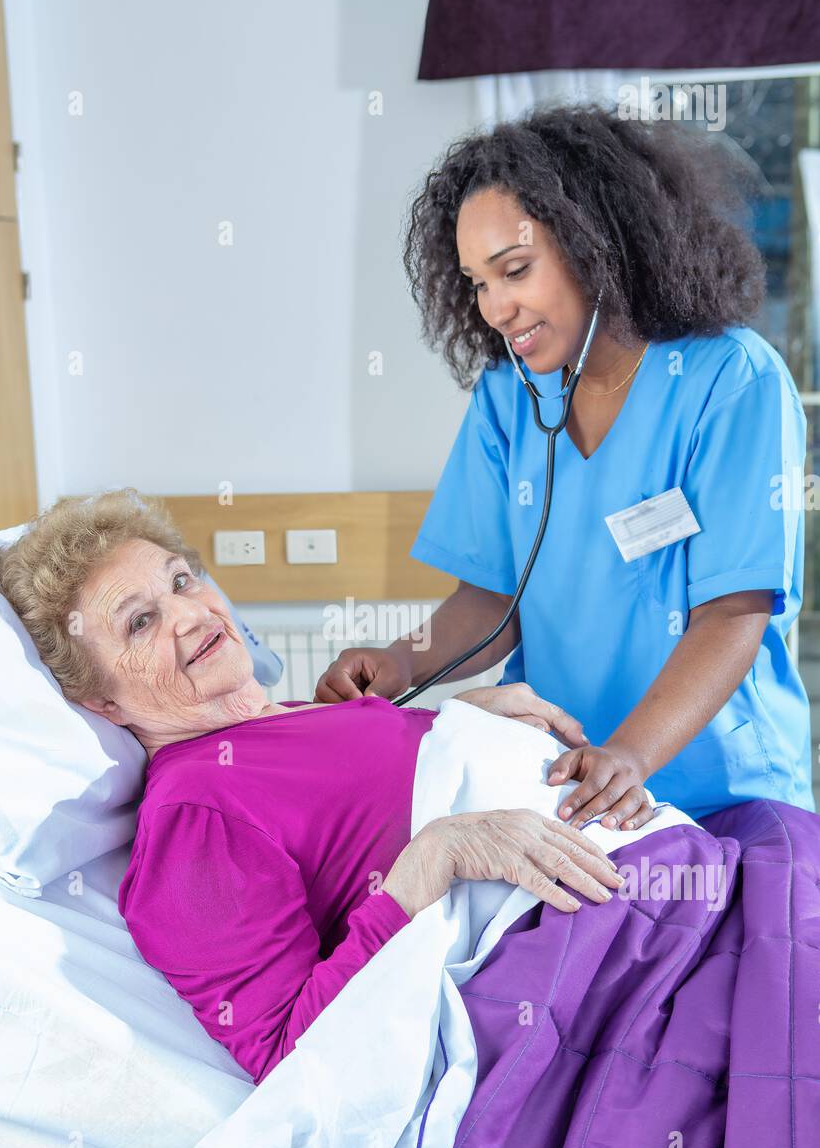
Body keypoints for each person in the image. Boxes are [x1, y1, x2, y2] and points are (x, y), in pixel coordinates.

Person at [0, 489, 623, 1083]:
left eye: (182, 581)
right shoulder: (196, 812)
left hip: (617, 886)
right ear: (102, 700)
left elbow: (378, 798)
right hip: (594, 966)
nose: (189, 614)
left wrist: (458, 720)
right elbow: (290, 1057)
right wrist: (434, 857)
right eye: (140, 623)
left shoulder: (293, 713)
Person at [316, 105, 815, 826]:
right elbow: (491, 603)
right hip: (563, 781)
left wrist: (632, 755)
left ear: (595, 243)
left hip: (720, 789)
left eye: (515, 270)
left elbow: (731, 613)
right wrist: (402, 663)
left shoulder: (732, 380)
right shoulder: (507, 399)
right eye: (477, 283)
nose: (494, 307)